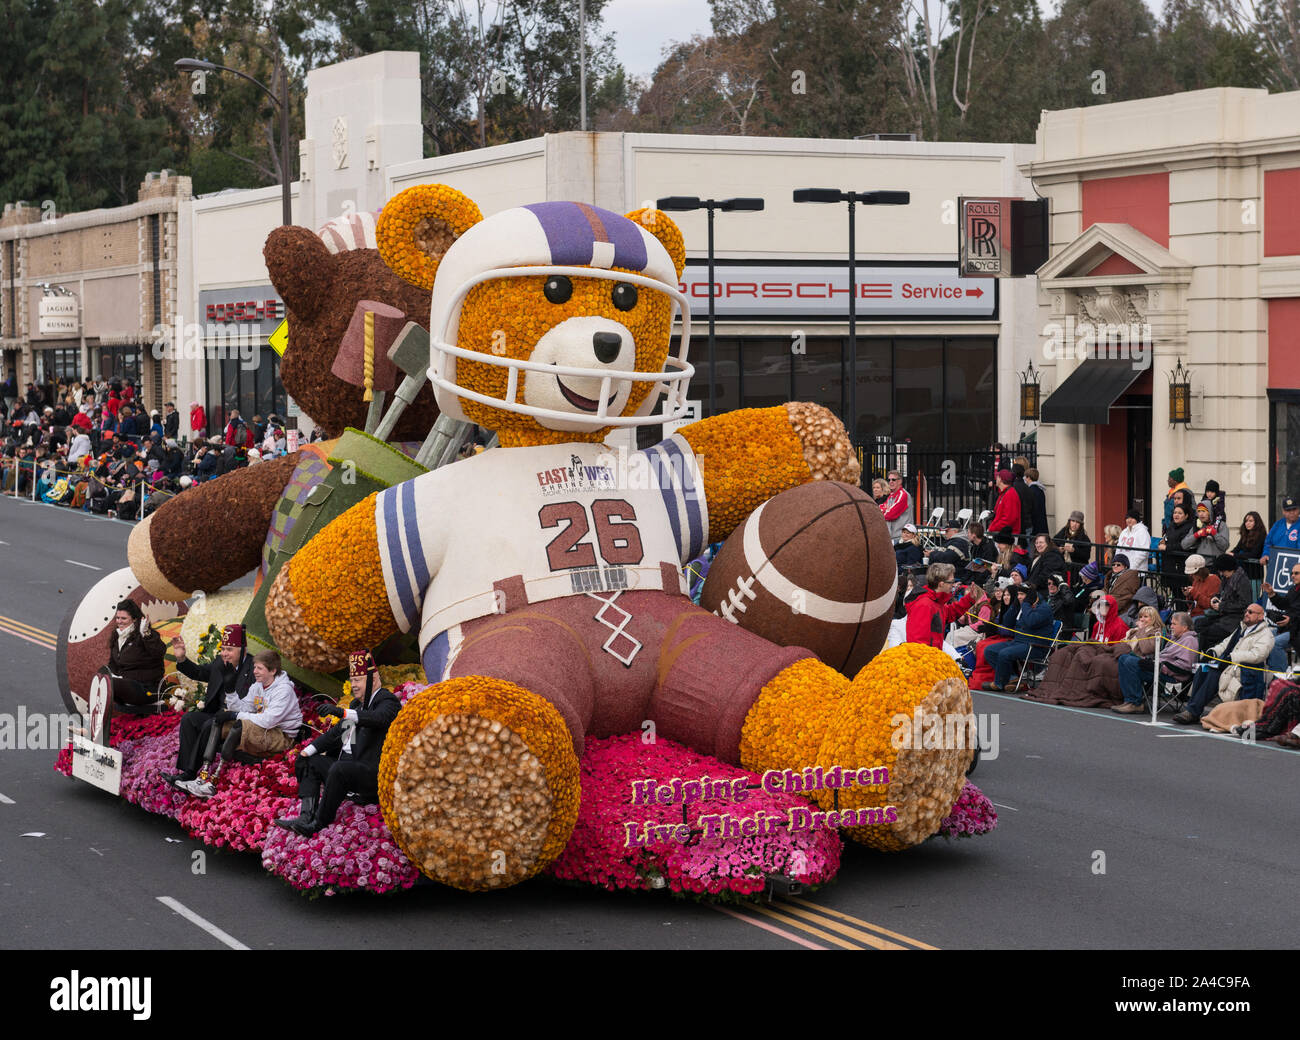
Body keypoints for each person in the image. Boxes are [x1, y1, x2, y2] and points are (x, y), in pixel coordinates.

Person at [275, 651, 402, 835]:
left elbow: (378, 718)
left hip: (371, 776)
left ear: (374, 679)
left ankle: (318, 823)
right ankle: (305, 817)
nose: (354, 685)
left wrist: (341, 713)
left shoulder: (387, 700)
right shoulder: (356, 706)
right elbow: (340, 734)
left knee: (339, 768)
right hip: (350, 771)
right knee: (312, 761)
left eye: (358, 680)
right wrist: (307, 751)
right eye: (352, 680)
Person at [175, 650, 303, 799]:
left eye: (259, 668)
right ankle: (200, 776)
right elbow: (243, 708)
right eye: (254, 667)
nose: (254, 671)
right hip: (262, 726)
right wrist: (230, 691)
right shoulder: (259, 685)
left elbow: (269, 720)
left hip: (281, 736)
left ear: (273, 670)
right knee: (215, 722)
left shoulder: (284, 690)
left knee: (239, 726)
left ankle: (212, 784)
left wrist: (235, 715)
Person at [161, 624, 258, 786]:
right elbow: (200, 672)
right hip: (217, 713)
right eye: (223, 649)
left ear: (243, 651)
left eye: (230, 650)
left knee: (209, 724)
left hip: (238, 718)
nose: (225, 654)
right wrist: (181, 659)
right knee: (189, 719)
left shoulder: (254, 667)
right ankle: (186, 771)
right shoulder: (221, 662)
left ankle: (190, 774)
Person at [1173, 604, 1273, 724]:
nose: (1246, 613)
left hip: (1242, 668)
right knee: (1202, 669)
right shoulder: (1242, 628)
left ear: (1261, 616)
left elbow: (1258, 654)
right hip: (1226, 664)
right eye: (1246, 611)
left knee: (1213, 674)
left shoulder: (1266, 634)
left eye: (1251, 612)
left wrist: (1233, 657)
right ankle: (1192, 709)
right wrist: (1213, 652)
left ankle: (1192, 711)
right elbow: (1226, 643)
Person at [1113, 611, 1199, 713]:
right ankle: (1129, 700)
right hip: (1158, 668)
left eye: (1174, 624)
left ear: (1184, 627)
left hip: (1170, 676)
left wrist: (1160, 667)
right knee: (1124, 658)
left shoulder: (1189, 640)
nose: (1171, 626)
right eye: (1171, 623)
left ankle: (1135, 703)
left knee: (1130, 662)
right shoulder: (1176, 639)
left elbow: (1185, 666)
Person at [981, 584, 1054, 692]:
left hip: (1035, 646)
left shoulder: (1043, 608)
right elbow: (1007, 623)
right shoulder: (1023, 606)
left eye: (1022, 594)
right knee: (989, 650)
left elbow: (1031, 622)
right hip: (1019, 642)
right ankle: (1012, 678)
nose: (1019, 597)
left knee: (1004, 654)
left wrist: (1025, 604)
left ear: (1030, 596)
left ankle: (999, 683)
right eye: (1018, 594)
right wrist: (1014, 606)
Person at [104, 600, 166, 708]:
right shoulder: (117, 636)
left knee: (111, 683)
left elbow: (159, 652)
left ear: (134, 619)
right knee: (103, 680)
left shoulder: (145, 635)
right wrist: (110, 674)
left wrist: (146, 634)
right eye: (117, 618)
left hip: (149, 688)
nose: (119, 621)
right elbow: (112, 664)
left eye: (123, 618)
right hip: (128, 686)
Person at [905, 563, 982, 649]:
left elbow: (949, 614)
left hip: (932, 655)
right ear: (941, 584)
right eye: (951, 582)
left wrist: (969, 599)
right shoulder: (925, 605)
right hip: (925, 658)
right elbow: (918, 640)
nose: (953, 585)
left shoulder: (935, 601)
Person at [1194, 554, 1252, 648]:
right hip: (1222, 615)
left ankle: (1207, 657)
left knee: (1207, 633)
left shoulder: (1242, 581)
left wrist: (1222, 606)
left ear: (1229, 568)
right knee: (1199, 624)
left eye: (1222, 571)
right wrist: (1215, 598)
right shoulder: (1227, 577)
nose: (1221, 574)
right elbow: (1220, 593)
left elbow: (1245, 604)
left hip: (1234, 620)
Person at [1262, 562, 1300, 672]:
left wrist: (1290, 620)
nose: (1292, 576)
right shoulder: (1294, 589)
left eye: (1296, 573)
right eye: (1292, 573)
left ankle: (1281, 676)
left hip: (1296, 630)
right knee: (1264, 638)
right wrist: (1272, 594)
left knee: (1274, 644)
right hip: (1288, 626)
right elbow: (1284, 604)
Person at [1158, 502, 1194, 593]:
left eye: (1180, 513)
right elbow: (1168, 538)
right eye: (1175, 512)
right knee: (1174, 594)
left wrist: (1166, 547)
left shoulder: (1188, 528)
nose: (1176, 515)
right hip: (1170, 566)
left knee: (1181, 597)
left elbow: (1183, 545)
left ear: (1186, 516)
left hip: (1180, 567)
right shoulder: (1172, 525)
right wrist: (1163, 541)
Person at [1181, 499, 1228, 566]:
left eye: (1204, 511)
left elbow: (1225, 546)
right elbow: (1184, 545)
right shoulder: (1197, 525)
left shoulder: (1221, 525)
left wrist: (1215, 534)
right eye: (1199, 511)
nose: (1201, 514)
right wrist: (1196, 535)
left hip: (1215, 565)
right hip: (1199, 565)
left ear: (1210, 512)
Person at [1260, 496, 1300, 572]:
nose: (1291, 512)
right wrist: (1265, 554)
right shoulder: (1278, 524)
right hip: (1276, 567)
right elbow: (1268, 543)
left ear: (1298, 510)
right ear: (1283, 511)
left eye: (1294, 509)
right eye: (1288, 510)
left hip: (1295, 568)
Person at [1054, 510, 1092, 579]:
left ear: (1081, 525)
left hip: (1076, 568)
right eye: (1073, 521)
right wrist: (1059, 549)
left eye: (1077, 522)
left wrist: (1074, 550)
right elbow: (1054, 543)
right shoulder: (1063, 531)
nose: (1074, 524)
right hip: (1062, 565)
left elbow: (1087, 556)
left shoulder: (1084, 538)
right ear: (1069, 522)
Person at [989, 469, 1021, 538]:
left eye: (997, 477)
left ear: (1000, 479)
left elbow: (1009, 519)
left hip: (1007, 536)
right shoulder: (1004, 493)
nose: (996, 479)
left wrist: (993, 528)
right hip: (1002, 534)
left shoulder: (1010, 494)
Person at [881, 470, 911, 542]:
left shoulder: (903, 495)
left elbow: (890, 515)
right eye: (889, 480)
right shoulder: (891, 495)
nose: (891, 482)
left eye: (893, 479)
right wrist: (886, 510)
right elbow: (880, 508)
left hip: (901, 538)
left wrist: (886, 510)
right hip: (893, 537)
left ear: (900, 481)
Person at [1163, 467, 1191, 534]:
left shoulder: (1182, 492)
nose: (1168, 480)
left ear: (1175, 481)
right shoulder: (1173, 492)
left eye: (1169, 478)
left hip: (1176, 527)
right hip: (1170, 526)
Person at [1024, 467, 1049, 539]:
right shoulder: (1040, 490)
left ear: (1028, 478)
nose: (1025, 479)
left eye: (1026, 477)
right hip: (1041, 524)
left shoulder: (1030, 490)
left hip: (1035, 525)